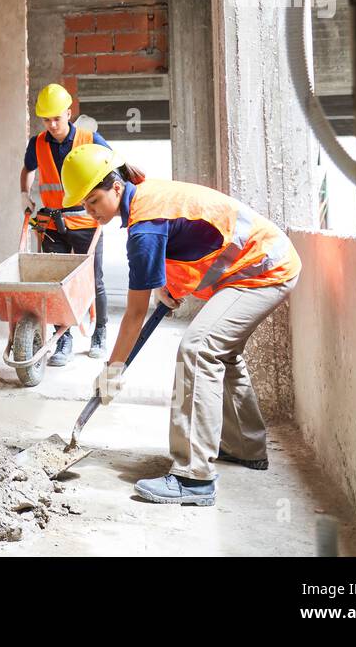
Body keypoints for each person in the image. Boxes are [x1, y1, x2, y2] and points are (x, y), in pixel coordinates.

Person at [60, 144, 302, 506]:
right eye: (83, 205)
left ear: (115, 187)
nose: (89, 211)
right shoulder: (145, 199)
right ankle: (244, 447)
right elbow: (187, 238)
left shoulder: (143, 229)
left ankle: (193, 479)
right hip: (261, 263)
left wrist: (113, 370)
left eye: (93, 200)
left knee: (198, 348)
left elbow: (133, 315)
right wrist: (170, 288)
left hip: (263, 270)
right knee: (223, 352)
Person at [19, 83, 112, 364]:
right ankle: (63, 339)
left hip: (85, 220)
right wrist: (25, 195)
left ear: (68, 113)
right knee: (54, 282)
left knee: (92, 278)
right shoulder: (37, 143)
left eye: (57, 118)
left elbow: (112, 166)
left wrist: (109, 203)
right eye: (46, 119)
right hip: (52, 222)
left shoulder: (90, 138)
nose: (52, 124)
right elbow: (28, 169)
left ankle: (100, 332)